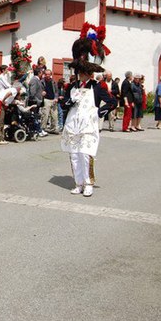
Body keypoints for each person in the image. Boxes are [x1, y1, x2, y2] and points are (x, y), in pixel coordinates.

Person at [61, 22, 111, 197]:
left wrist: (99, 112)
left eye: (84, 72)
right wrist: (69, 102)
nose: (81, 75)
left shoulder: (97, 86)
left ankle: (89, 183)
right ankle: (78, 183)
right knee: (74, 155)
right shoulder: (71, 87)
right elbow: (64, 104)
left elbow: (111, 102)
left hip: (88, 126)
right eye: (80, 72)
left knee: (85, 154)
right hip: (73, 125)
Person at [41, 69, 59, 134]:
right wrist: (41, 92)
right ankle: (43, 128)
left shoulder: (53, 82)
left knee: (55, 115)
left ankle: (53, 128)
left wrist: (56, 98)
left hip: (53, 99)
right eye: (46, 74)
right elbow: (39, 89)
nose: (47, 75)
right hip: (46, 99)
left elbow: (56, 91)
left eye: (49, 74)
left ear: (51, 75)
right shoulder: (42, 82)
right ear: (44, 74)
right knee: (45, 114)